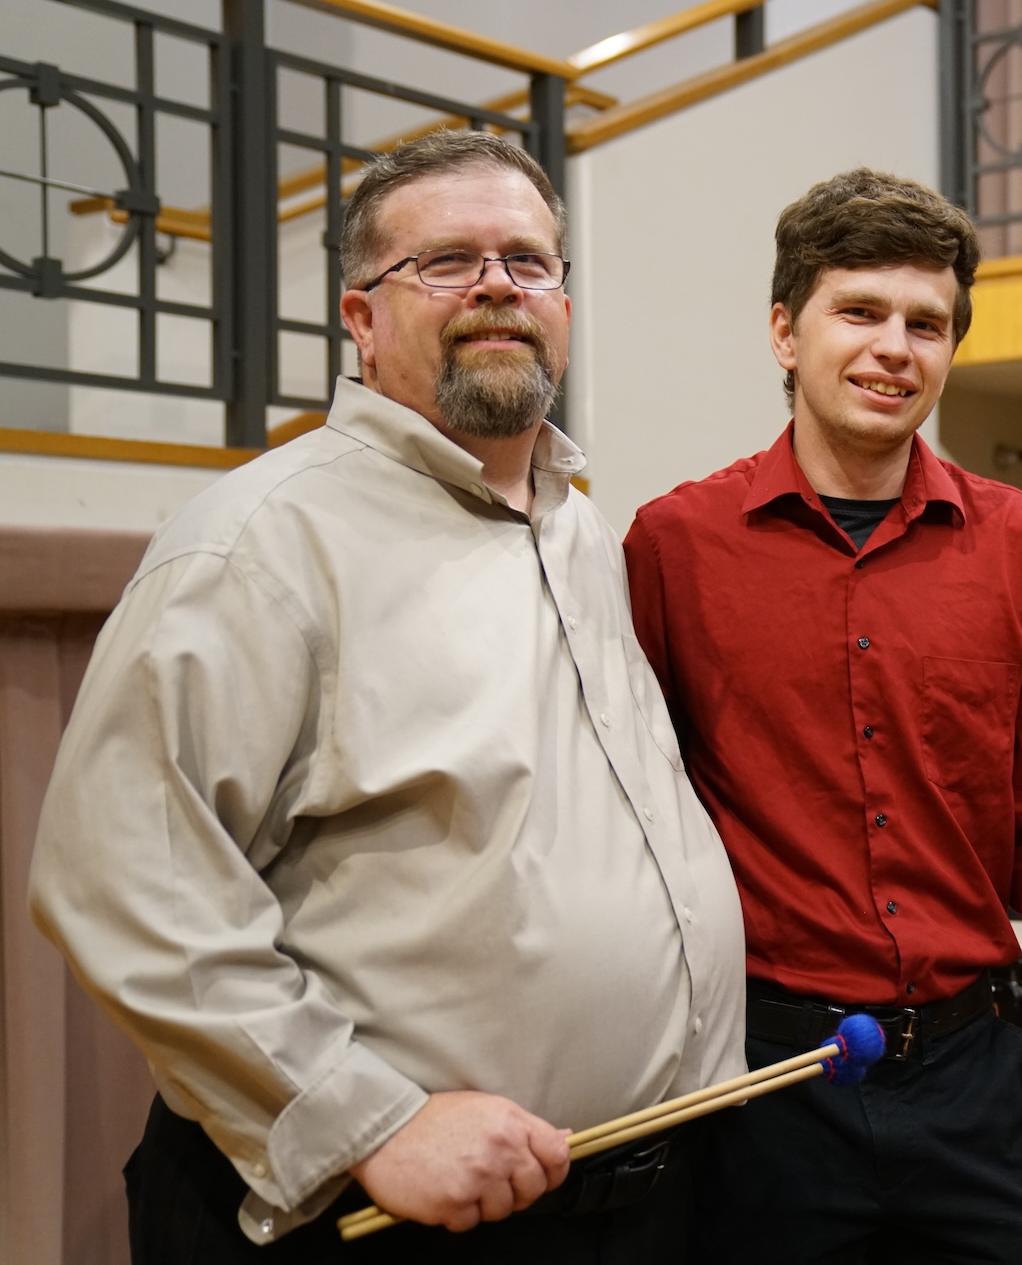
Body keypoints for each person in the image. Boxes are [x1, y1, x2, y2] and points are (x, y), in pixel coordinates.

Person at [30, 130, 744, 1265]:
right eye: (449, 261)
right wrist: (372, 1118)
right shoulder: (259, 544)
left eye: (529, 260)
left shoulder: (575, 523)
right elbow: (121, 877)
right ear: (360, 318)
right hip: (391, 1211)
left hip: (630, 1191)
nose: (500, 285)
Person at [623, 167, 1022, 1263]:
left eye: (926, 323)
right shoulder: (672, 545)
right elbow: (631, 823)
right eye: (858, 311)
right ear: (783, 330)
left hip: (972, 1066)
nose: (894, 347)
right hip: (767, 1082)